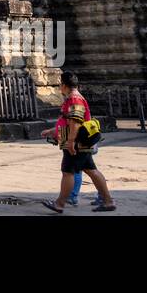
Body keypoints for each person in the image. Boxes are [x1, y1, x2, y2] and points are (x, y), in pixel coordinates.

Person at [42, 72, 116, 213]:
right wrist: (53, 130)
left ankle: (60, 203)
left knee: (68, 172)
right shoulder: (73, 98)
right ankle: (108, 201)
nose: (59, 88)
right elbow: (68, 121)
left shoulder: (74, 99)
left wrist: (70, 142)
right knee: (91, 170)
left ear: (64, 85)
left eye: (60, 85)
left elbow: (75, 122)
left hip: (76, 143)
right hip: (79, 143)